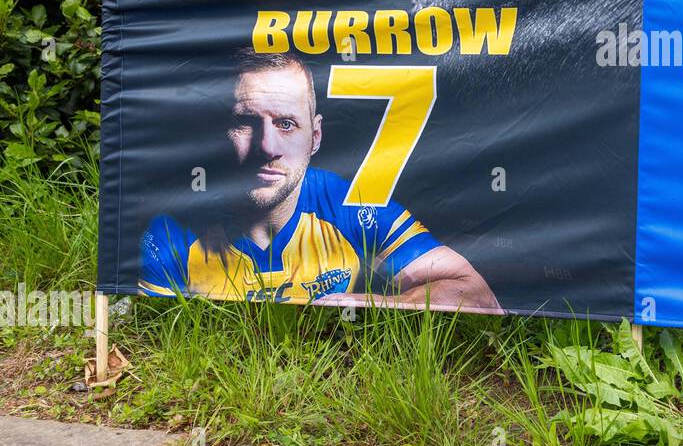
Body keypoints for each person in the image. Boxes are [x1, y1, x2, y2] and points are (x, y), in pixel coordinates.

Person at [139, 48, 500, 311]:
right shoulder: (172, 229)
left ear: (315, 137)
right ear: (221, 130)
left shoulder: (352, 206)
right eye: (246, 122)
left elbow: (477, 294)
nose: (267, 147)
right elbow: (155, 344)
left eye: (286, 124)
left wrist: (374, 304)